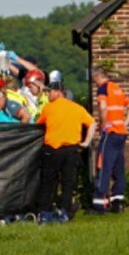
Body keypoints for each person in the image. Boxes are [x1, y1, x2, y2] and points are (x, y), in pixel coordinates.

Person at [34, 81, 95, 218]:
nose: (48, 94)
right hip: (71, 150)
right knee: (68, 183)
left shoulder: (48, 108)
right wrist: (86, 142)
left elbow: (38, 125)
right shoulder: (77, 108)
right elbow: (92, 123)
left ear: (58, 92)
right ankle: (65, 212)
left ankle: (44, 211)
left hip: (52, 149)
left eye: (49, 92)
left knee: (48, 182)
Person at [91, 67, 129, 212]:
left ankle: (99, 204)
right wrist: (125, 123)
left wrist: (103, 124)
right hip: (121, 133)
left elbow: (103, 107)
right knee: (118, 167)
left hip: (109, 133)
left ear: (97, 77)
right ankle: (118, 203)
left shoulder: (103, 88)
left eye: (94, 81)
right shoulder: (118, 88)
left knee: (103, 166)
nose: (94, 84)